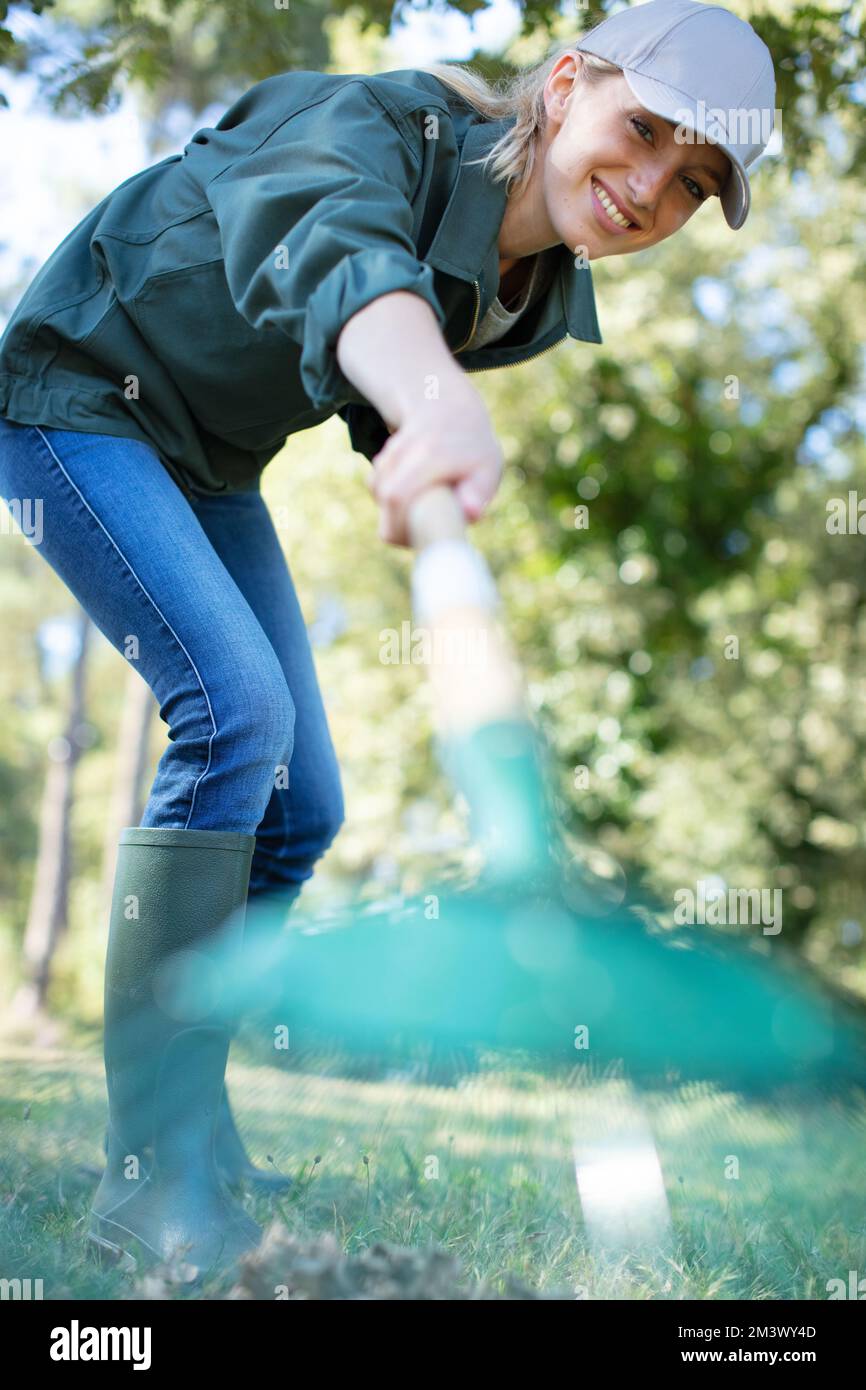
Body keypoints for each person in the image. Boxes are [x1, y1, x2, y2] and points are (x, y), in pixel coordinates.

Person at [0, 0, 776, 1274]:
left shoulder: (532, 297)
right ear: (567, 81)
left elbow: (359, 370)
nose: (646, 188)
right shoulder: (372, 125)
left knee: (302, 805)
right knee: (235, 714)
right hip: (73, 399)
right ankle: (150, 1180)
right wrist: (432, 403)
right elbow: (340, 256)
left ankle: (199, 1133)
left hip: (208, 461)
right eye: (640, 131)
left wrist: (403, 446)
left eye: (690, 182)